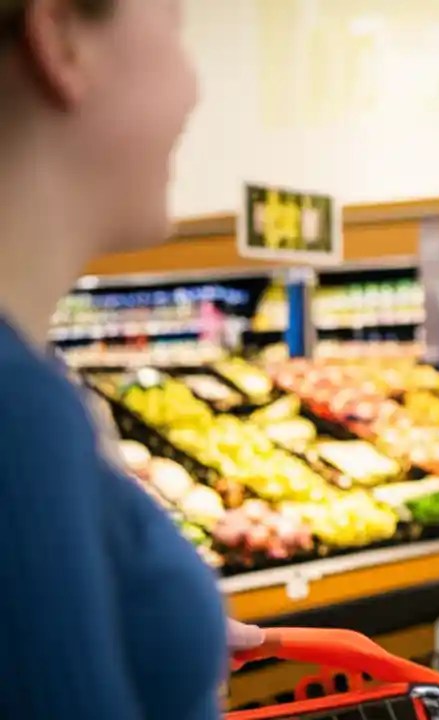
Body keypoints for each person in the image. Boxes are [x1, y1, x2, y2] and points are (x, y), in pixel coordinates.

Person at [0, 0, 261, 717]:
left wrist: (157, 629)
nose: (195, 88)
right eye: (176, 26)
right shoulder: (16, 412)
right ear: (60, 41)